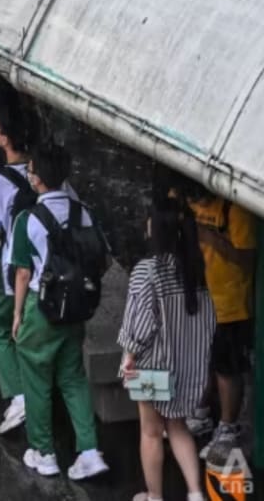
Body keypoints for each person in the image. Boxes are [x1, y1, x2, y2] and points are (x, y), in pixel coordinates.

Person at [10, 143, 109, 479]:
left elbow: (22, 273)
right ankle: (90, 451)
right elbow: (102, 258)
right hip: (78, 309)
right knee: (73, 377)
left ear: (36, 179)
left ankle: (44, 451)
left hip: (43, 308)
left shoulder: (29, 219)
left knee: (37, 379)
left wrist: (17, 314)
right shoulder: (84, 212)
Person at [119, 197, 214, 501]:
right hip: (190, 364)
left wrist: (129, 356)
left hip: (152, 367)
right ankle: (196, 493)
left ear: (157, 229)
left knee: (150, 431)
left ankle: (154, 495)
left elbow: (140, 325)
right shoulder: (199, 270)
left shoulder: (147, 271)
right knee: (178, 425)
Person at [0, 106, 44, 434]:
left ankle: (20, 396)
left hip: (11, 267)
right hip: (47, 268)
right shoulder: (45, 172)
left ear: (5, 139)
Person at [183, 186, 257, 464]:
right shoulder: (187, 200)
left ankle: (228, 427)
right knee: (206, 358)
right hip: (203, 297)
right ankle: (201, 413)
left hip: (233, 303)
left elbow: (248, 259)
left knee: (227, 366)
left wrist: (212, 238)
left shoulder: (236, 210)